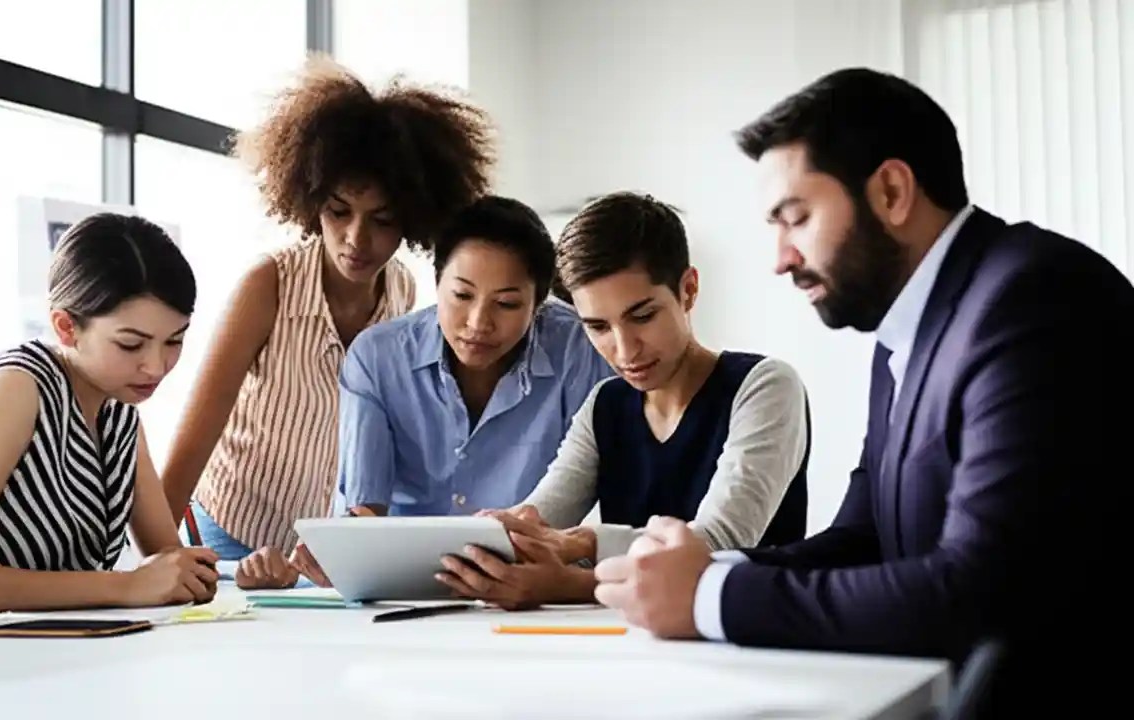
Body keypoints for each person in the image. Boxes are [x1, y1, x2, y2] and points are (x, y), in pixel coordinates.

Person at [591, 68, 1133, 710]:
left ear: (892, 191)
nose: (780, 258)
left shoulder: (1034, 298)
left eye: (795, 219)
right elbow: (866, 536)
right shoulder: (903, 334)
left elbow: (980, 589)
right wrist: (708, 572)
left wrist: (710, 600)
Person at [158, 56, 496, 587]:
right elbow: (194, 440)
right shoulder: (267, 285)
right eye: (339, 212)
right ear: (311, 199)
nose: (357, 239)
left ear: (412, 219)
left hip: (318, 546)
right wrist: (157, 559)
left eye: (382, 220)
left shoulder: (402, 289)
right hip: (231, 527)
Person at [433, 191, 811, 610]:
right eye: (597, 326)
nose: (625, 350)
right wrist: (501, 532)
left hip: (750, 637)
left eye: (642, 316)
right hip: (629, 641)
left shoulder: (764, 387)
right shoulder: (605, 404)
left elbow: (716, 542)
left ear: (688, 290)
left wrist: (576, 558)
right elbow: (539, 520)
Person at [0, 213, 220, 619]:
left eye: (174, 341)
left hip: (18, 657)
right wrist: (125, 585)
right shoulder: (16, 389)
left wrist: (243, 574)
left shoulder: (120, 414)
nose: (156, 367)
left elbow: (169, 565)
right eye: (131, 345)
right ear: (65, 327)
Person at [269, 195, 614, 587]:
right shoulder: (378, 359)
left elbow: (599, 492)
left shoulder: (581, 349)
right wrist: (340, 550)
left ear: (539, 304)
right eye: (462, 296)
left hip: (532, 583)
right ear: (437, 283)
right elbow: (365, 507)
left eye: (506, 304)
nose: (478, 323)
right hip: (404, 581)